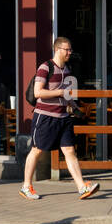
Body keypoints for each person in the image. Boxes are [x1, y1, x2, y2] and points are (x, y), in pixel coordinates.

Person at [20, 36, 99, 202]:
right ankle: (26, 186)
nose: (70, 52)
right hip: (45, 117)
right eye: (67, 49)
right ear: (57, 50)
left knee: (69, 151)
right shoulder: (45, 67)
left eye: (70, 49)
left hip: (64, 117)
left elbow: (67, 94)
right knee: (37, 150)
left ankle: (81, 187)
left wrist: (76, 108)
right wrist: (60, 93)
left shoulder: (67, 70)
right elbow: (38, 93)